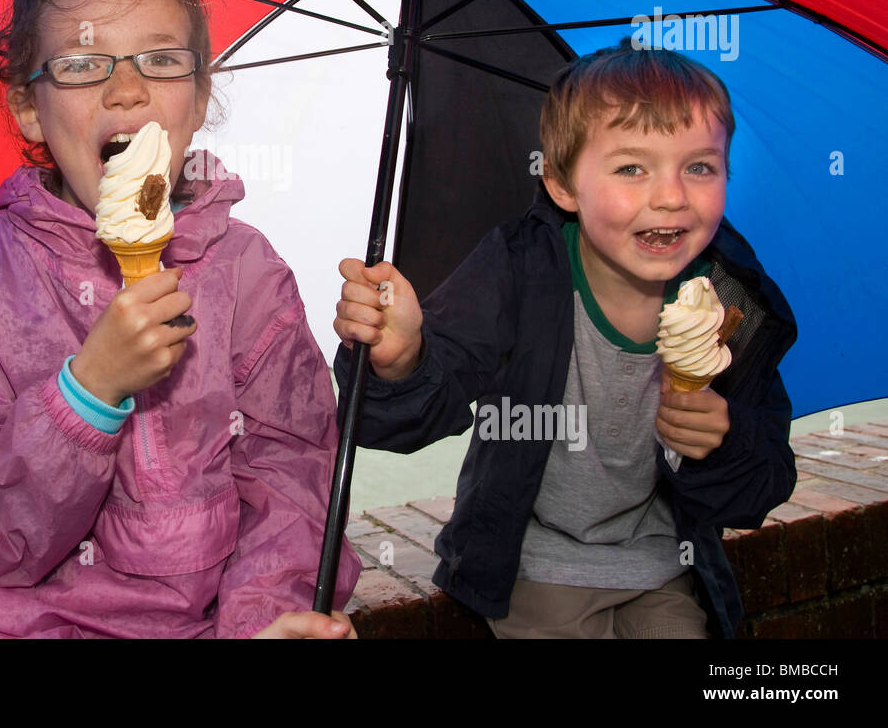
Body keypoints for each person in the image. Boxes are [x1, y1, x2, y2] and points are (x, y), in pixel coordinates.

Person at [0, 0, 360, 638]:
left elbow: (292, 484)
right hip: (8, 621)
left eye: (162, 60)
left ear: (199, 100)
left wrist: (262, 620)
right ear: (26, 109)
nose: (127, 88)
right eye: (81, 64)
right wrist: (89, 391)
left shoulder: (248, 272)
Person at [333, 43, 796, 638]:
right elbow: (407, 417)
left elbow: (760, 487)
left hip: (665, 562)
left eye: (700, 167)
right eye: (632, 167)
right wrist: (400, 365)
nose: (673, 196)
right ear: (561, 184)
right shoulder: (518, 268)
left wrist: (722, 441)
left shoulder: (733, 302)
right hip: (531, 568)